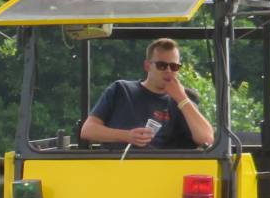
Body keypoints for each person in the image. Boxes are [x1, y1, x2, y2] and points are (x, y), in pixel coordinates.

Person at [80, 39, 216, 151]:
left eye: (174, 67)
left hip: (163, 172)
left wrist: (182, 99)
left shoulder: (183, 101)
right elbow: (88, 131)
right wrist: (127, 136)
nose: (168, 71)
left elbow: (207, 139)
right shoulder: (121, 90)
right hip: (118, 169)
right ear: (147, 66)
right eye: (162, 66)